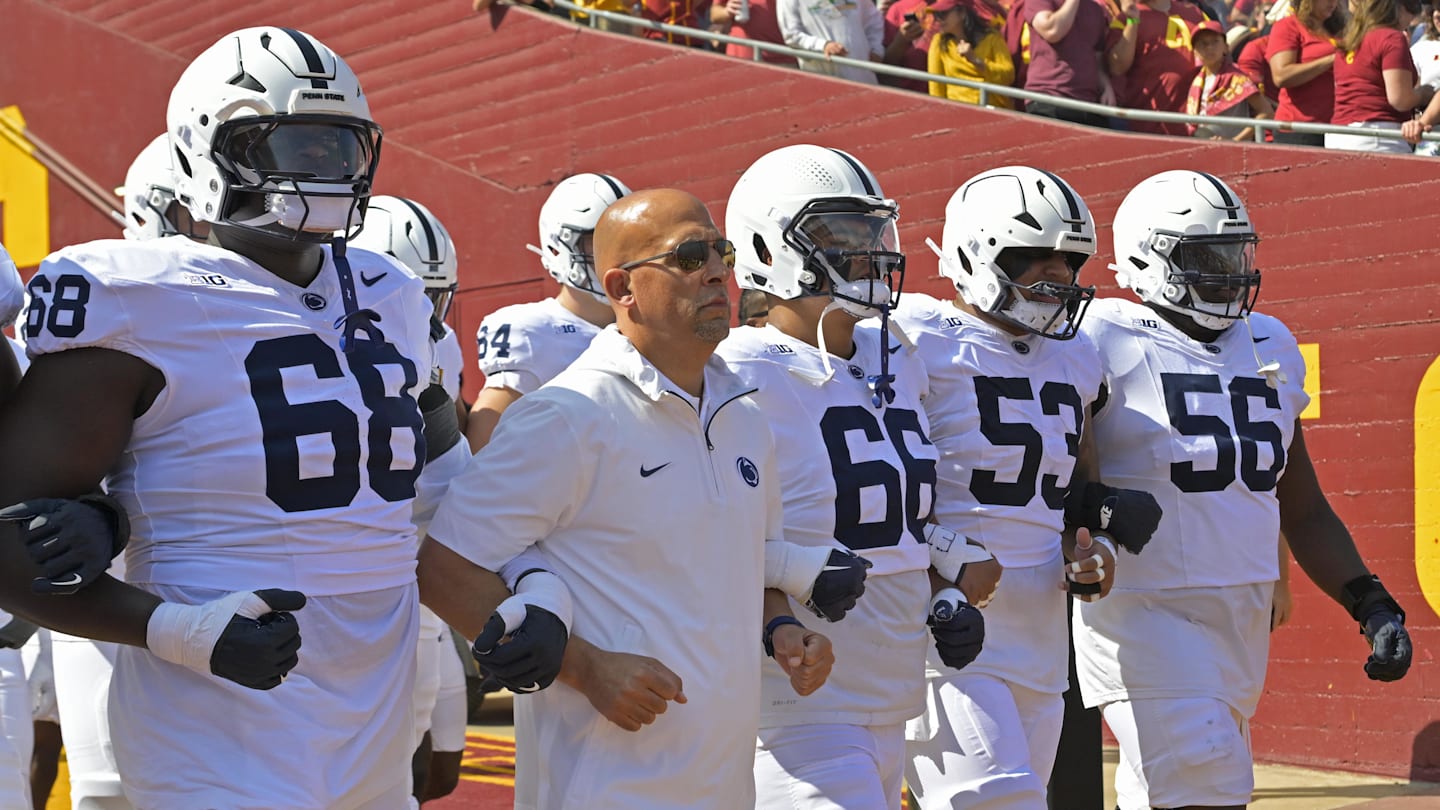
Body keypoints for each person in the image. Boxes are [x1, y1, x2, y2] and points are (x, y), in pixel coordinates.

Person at [0, 27, 471, 808]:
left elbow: (445, 493)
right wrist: (175, 627)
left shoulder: (388, 289)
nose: (319, 167)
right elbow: (15, 542)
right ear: (204, 151)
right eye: (288, 144)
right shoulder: (133, 294)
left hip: (376, 705)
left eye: (336, 146)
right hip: (214, 717)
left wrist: (521, 593)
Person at [418, 188, 836, 809]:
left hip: (724, 786)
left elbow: (750, 562)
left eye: (720, 252)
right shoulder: (567, 417)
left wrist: (782, 628)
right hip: (604, 788)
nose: (717, 272)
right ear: (622, 287)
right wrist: (586, 667)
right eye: (689, 257)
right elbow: (442, 570)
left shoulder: (744, 418)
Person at [1074, 170, 1413, 810]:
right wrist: (1091, 525)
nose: (1229, 275)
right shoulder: (1100, 337)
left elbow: (1301, 506)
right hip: (1143, 610)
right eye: (1207, 259)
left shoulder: (1268, 342)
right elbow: (1058, 467)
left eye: (1234, 255)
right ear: (1147, 257)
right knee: (1206, 780)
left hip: (1240, 616)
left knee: (1184, 791)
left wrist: (1368, 601)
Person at [719, 144, 984, 810]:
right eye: (841, 237)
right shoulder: (736, 371)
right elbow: (703, 532)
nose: (870, 255)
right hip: (795, 705)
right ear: (767, 246)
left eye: (873, 233)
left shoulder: (892, 354)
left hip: (892, 693)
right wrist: (781, 608)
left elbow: (890, 517)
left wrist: (942, 586)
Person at [894, 167, 1155, 810]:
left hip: (1039, 631)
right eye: (1034, 256)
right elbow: (877, 478)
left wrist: (1094, 550)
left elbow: (1077, 486)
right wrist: (941, 558)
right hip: (943, 622)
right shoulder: (911, 337)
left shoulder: (1076, 355)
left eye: (1070, 260)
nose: (1058, 274)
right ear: (974, 253)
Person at [349, 195, 470, 804]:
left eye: (435, 298)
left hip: (420, 572)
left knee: (422, 768)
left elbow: (452, 456)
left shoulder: (439, 344)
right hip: (351, 582)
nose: (427, 317)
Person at [465, 172, 631, 452]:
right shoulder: (533, 331)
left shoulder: (648, 324)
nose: (618, 256)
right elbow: (482, 450)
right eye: (600, 243)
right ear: (557, 248)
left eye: (628, 243)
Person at [1328, 0, 1432, 151]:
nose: (1413, 15)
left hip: (1338, 134)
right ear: (1395, 8)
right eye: (1411, 5)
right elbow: (1400, 100)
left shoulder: (1350, 40)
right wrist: (1424, 93)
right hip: (1378, 136)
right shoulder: (1391, 38)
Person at [1105, 0, 1207, 134]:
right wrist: (1132, 21)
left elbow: (1221, 58)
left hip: (1194, 127)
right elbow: (1117, 67)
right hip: (1146, 128)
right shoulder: (1125, 18)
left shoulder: (1196, 14)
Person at [1021, 0, 1118, 126]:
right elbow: (1052, 31)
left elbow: (1096, 57)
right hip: (1049, 99)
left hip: (1089, 105)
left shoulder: (1095, 9)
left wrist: (1106, 87)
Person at [1267, 0, 1345, 145]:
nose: (1333, 2)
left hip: (1336, 127)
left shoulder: (1339, 29)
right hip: (1299, 129)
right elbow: (1281, 76)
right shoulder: (1288, 26)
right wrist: (1331, 60)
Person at [1187, 19, 1276, 141]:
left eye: (1215, 41)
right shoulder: (1197, 81)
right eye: (1203, 44)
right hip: (1204, 144)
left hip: (1234, 149)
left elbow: (1266, 112)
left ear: (1225, 47)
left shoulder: (1237, 78)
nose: (1209, 47)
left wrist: (1236, 140)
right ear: (1195, 51)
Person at [928, 0, 1017, 105]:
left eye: (942, 14)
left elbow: (1008, 76)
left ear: (962, 13)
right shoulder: (939, 43)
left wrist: (976, 61)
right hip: (958, 110)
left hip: (993, 108)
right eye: (935, 15)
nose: (938, 20)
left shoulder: (992, 38)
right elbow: (936, 88)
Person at [777, 0, 887, 83]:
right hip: (824, 81)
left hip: (864, 78)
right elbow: (792, 35)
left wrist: (876, 48)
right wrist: (823, 46)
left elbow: (873, 21)